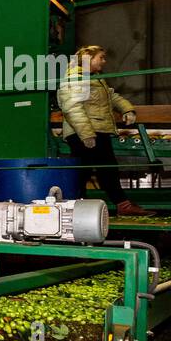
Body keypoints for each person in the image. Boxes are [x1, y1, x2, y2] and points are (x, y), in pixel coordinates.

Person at [57, 45, 149, 216]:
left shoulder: (95, 78)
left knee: (101, 168)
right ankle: (83, 207)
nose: (104, 61)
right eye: (101, 57)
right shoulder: (76, 78)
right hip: (86, 132)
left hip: (96, 129)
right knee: (93, 170)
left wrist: (127, 109)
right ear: (88, 59)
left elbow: (111, 96)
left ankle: (116, 205)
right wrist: (87, 135)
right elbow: (72, 107)